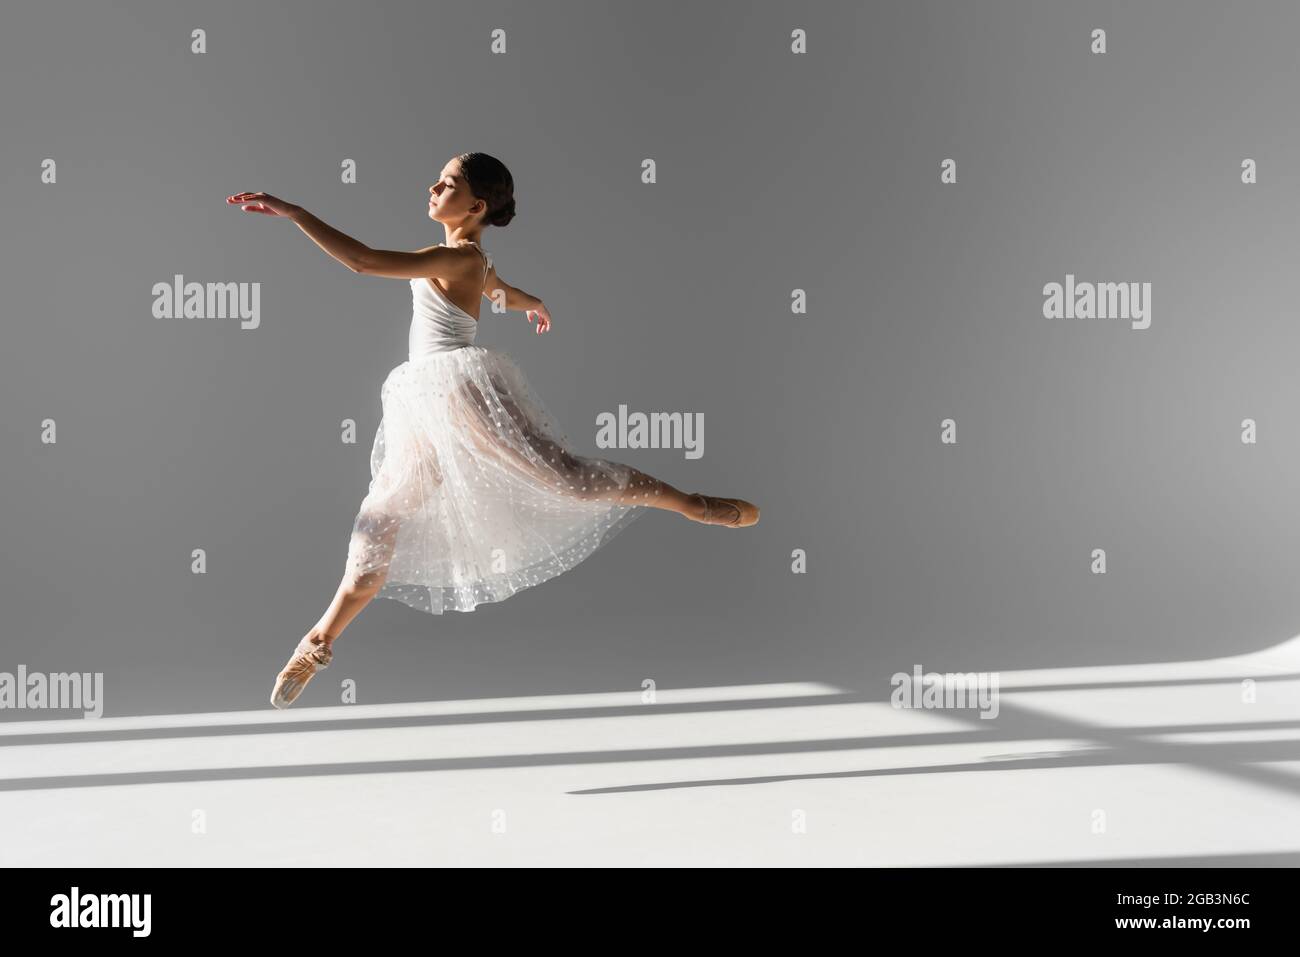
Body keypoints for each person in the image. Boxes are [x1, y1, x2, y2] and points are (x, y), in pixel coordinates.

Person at [226, 151, 758, 709]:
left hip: (457, 392)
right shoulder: (471, 261)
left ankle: (691, 503)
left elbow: (362, 261)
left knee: (566, 479)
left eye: (448, 182)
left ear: (476, 205)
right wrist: (535, 303)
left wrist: (296, 212)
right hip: (420, 406)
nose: (433, 185)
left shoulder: (455, 259)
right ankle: (318, 642)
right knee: (379, 522)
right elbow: (497, 292)